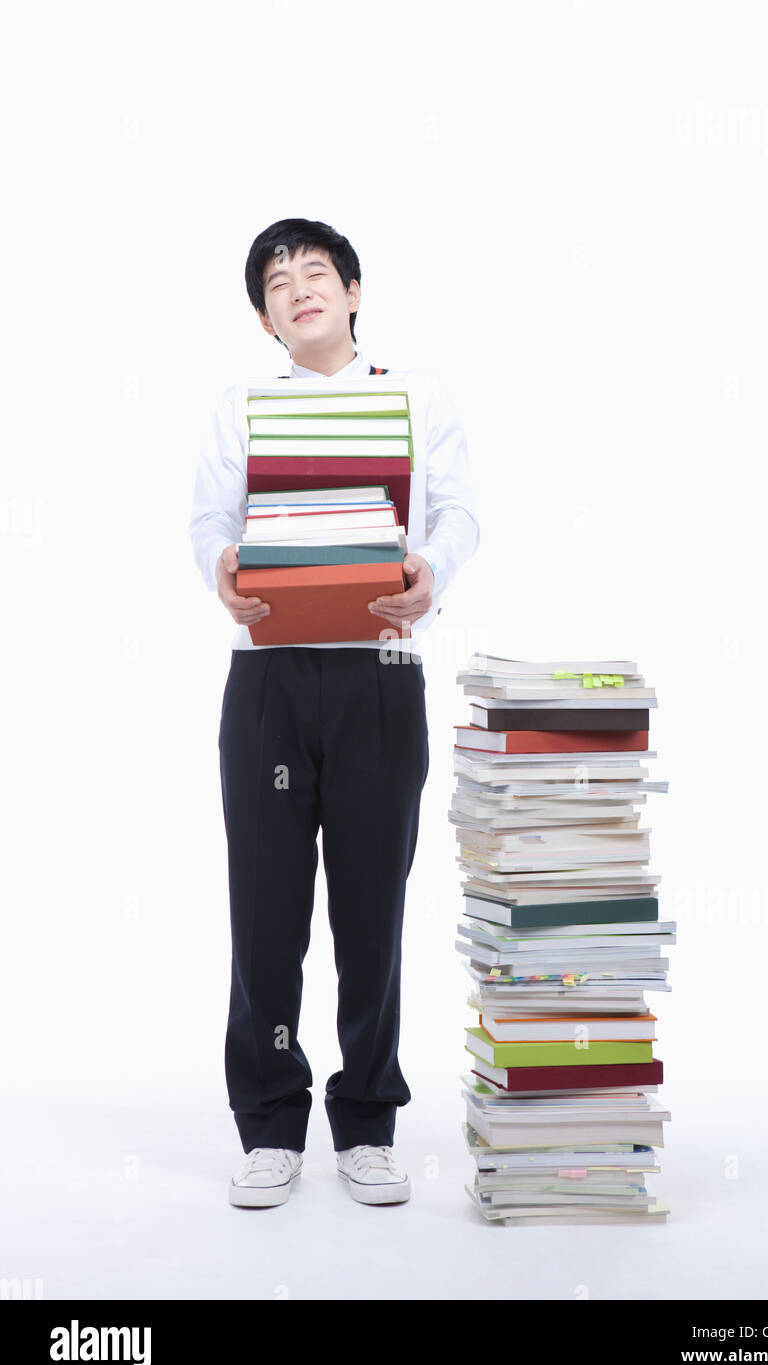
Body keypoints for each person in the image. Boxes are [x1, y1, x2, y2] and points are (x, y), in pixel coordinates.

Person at [188, 218, 480, 1209]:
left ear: (352, 291)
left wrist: (430, 573)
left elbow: (460, 512)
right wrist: (220, 569)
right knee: (267, 911)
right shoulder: (244, 405)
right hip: (268, 678)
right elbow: (209, 523)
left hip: (380, 671)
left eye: (315, 271)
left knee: (370, 909)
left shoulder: (416, 396)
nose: (297, 287)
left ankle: (366, 1119)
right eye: (276, 281)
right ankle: (269, 1119)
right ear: (265, 318)